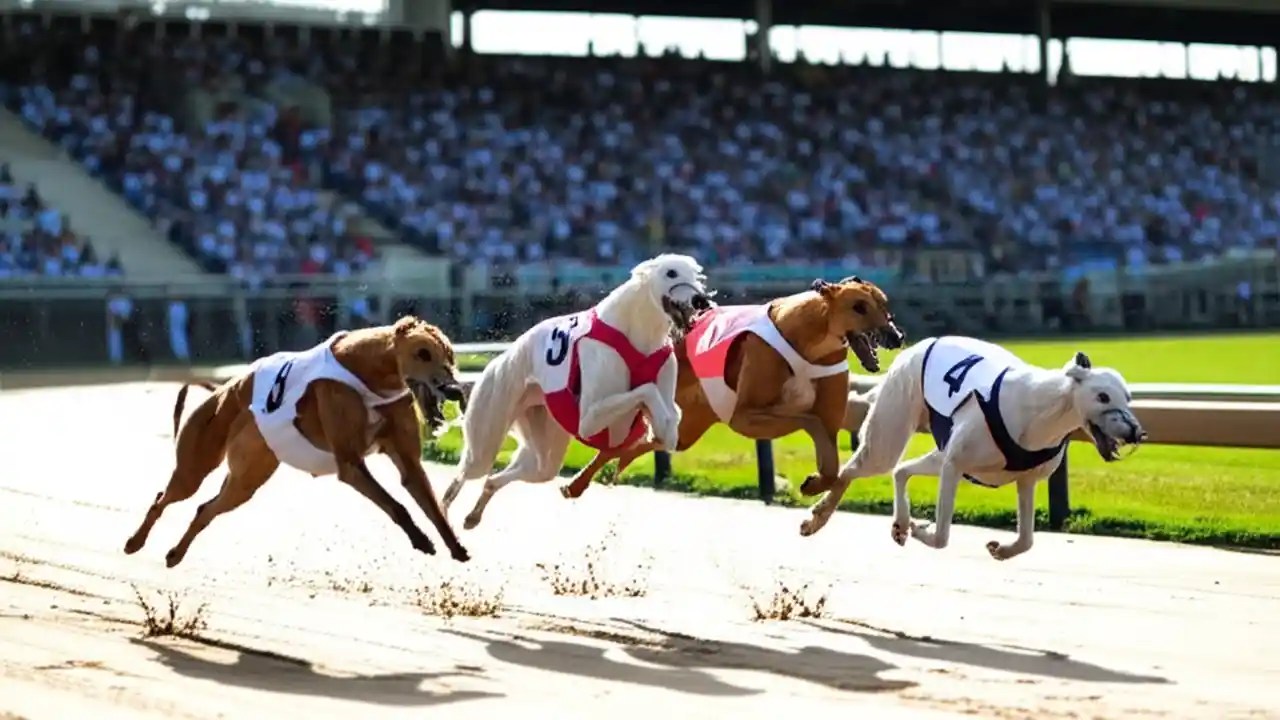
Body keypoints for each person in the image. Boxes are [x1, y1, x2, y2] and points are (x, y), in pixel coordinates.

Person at [167, 295, 191, 362]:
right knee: (177, 331)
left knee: (177, 331)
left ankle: (182, 355)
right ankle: (182, 355)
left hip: (177, 305)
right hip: (176, 305)